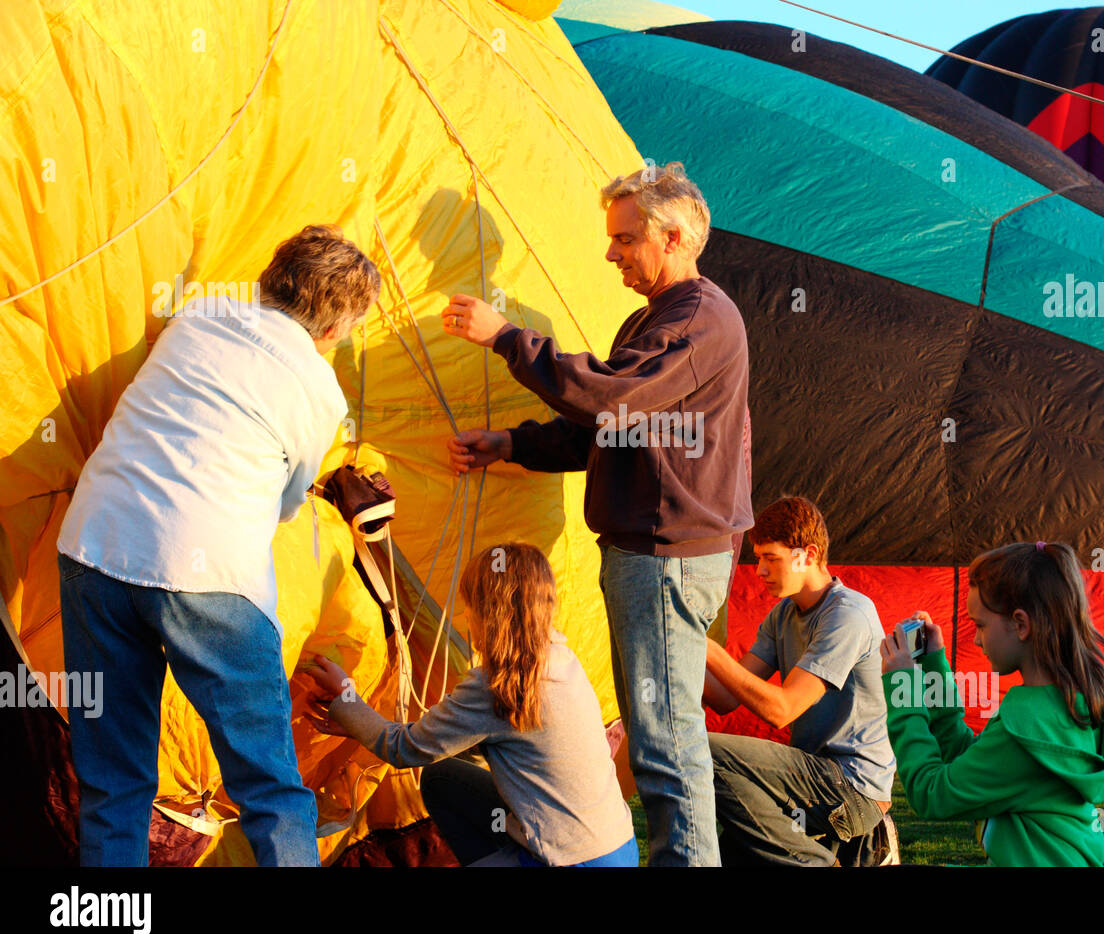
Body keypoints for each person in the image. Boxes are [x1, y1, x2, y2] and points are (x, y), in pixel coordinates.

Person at [440, 161, 751, 866]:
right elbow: (613, 427)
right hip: (653, 552)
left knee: (665, 742)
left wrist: (505, 338)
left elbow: (610, 399)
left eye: (624, 238)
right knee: (660, 733)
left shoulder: (697, 321)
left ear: (672, 237)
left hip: (665, 557)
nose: (610, 252)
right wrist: (514, 444)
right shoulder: (660, 319)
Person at [57, 225, 379, 866]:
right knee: (271, 790)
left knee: (112, 783)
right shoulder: (320, 390)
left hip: (94, 545)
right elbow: (287, 505)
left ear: (271, 276)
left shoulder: (198, 315)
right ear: (336, 328)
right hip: (210, 576)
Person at [303, 542, 637, 867]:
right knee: (442, 778)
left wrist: (347, 696)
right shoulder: (562, 659)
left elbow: (404, 750)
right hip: (619, 848)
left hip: (566, 860)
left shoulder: (495, 684)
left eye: (470, 605)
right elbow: (475, 742)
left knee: (438, 777)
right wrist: (358, 727)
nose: (465, 614)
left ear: (489, 614)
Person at [881, 541, 1104, 866]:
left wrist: (904, 690)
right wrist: (933, 666)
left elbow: (932, 794)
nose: (977, 639)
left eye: (981, 625)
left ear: (1021, 624)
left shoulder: (1023, 730)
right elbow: (966, 759)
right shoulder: (1067, 706)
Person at [703, 496, 897, 866]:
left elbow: (783, 709)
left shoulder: (849, 614)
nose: (758, 570)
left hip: (852, 789)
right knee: (734, 850)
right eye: (757, 557)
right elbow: (727, 697)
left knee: (704, 751)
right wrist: (675, 649)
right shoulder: (783, 614)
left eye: (769, 558)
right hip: (811, 780)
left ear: (807, 555)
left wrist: (706, 649)